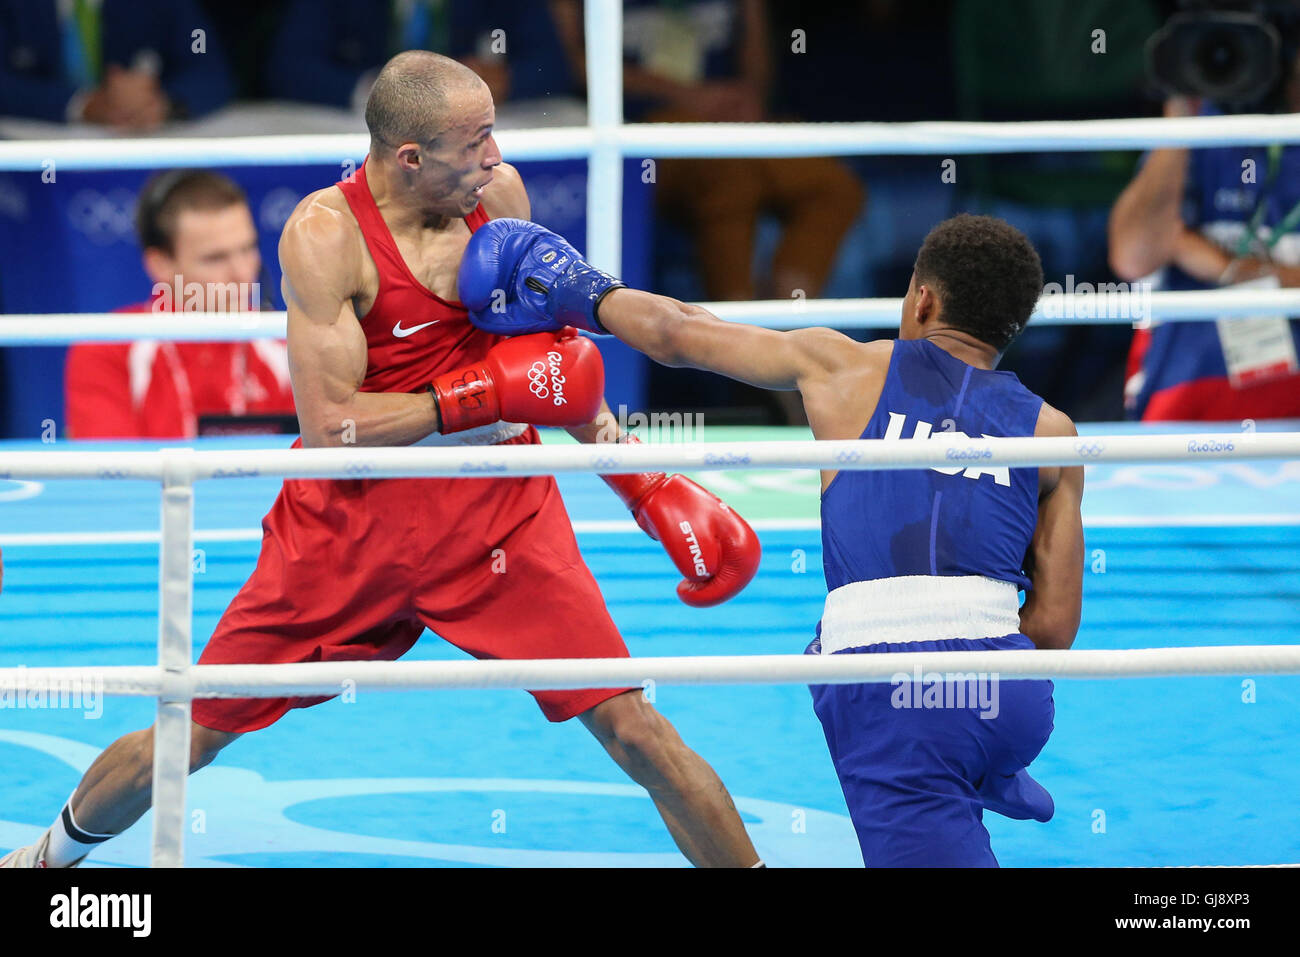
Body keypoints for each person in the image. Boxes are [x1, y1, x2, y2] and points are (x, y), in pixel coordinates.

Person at [2, 51, 763, 870]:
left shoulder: (497, 200)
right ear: (410, 156)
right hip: (349, 521)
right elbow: (331, 429)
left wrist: (639, 479)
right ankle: (46, 859)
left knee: (634, 725)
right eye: (473, 144)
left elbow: (554, 368)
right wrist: (475, 394)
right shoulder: (326, 235)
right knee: (192, 728)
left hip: (497, 512)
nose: (494, 159)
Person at [458, 212, 1085, 867]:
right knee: (944, 710)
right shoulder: (1052, 430)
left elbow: (678, 333)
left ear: (923, 299)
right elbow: (1054, 624)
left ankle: (967, 766)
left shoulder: (839, 364)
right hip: (1014, 699)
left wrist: (582, 288)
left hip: (896, 692)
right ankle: (992, 763)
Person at [64, 170, 297, 439]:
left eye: (247, 249)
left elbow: (310, 472)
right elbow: (111, 477)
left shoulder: (288, 344)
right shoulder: (106, 347)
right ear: (160, 265)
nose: (242, 273)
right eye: (215, 258)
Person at [1110, 90, 1300, 420]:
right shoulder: (1197, 129)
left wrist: (1227, 267)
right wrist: (1180, 119)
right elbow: (1132, 257)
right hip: (1182, 392)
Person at [0, 0, 233, 129]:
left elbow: (210, 70)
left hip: (138, 149)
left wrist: (163, 103)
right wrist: (82, 104)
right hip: (30, 166)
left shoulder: (164, 5)